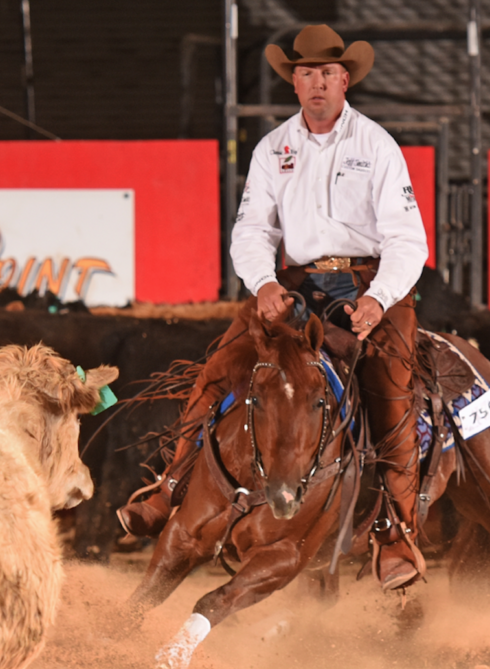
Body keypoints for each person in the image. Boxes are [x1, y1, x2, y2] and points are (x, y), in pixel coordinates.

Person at [118, 24, 429, 592]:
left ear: (344, 79)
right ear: (294, 80)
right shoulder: (273, 148)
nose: (317, 82)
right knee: (220, 366)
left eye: (327, 73)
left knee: (392, 388)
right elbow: (252, 229)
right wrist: (262, 281)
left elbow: (408, 239)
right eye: (305, 72)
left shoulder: (376, 144)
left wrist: (378, 299)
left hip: (371, 282)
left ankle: (396, 530)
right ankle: (171, 486)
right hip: (298, 286)